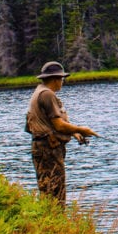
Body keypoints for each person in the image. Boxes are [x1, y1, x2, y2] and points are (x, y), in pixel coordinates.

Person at [25, 61, 98, 205]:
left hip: (43, 148)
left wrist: (73, 133)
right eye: (62, 79)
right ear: (55, 79)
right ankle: (55, 223)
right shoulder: (47, 94)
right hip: (48, 150)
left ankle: (50, 222)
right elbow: (58, 125)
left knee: (48, 190)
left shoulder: (39, 91)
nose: (62, 82)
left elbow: (48, 123)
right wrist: (81, 130)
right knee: (55, 192)